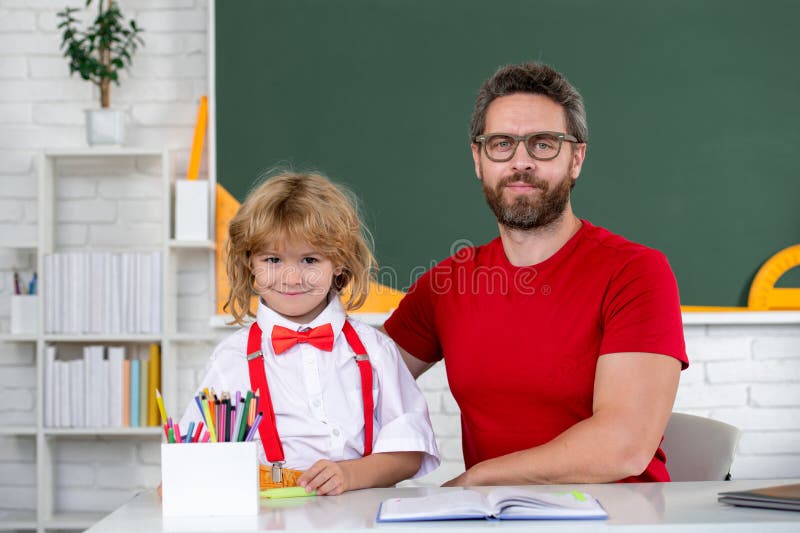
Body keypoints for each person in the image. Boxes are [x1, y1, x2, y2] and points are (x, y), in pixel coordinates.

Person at [383, 62, 688, 485]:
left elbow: (625, 445)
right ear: (478, 158)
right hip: (496, 519)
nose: (520, 161)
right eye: (501, 144)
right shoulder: (446, 283)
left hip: (617, 521)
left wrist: (476, 480)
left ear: (576, 158)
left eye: (543, 144)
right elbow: (355, 380)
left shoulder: (636, 272)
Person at [180, 171, 439, 496]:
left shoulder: (375, 350)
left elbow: (409, 452)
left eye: (309, 260)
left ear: (340, 263)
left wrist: (352, 474)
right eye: (273, 259)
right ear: (250, 264)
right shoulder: (230, 359)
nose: (291, 277)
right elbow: (194, 452)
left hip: (363, 518)